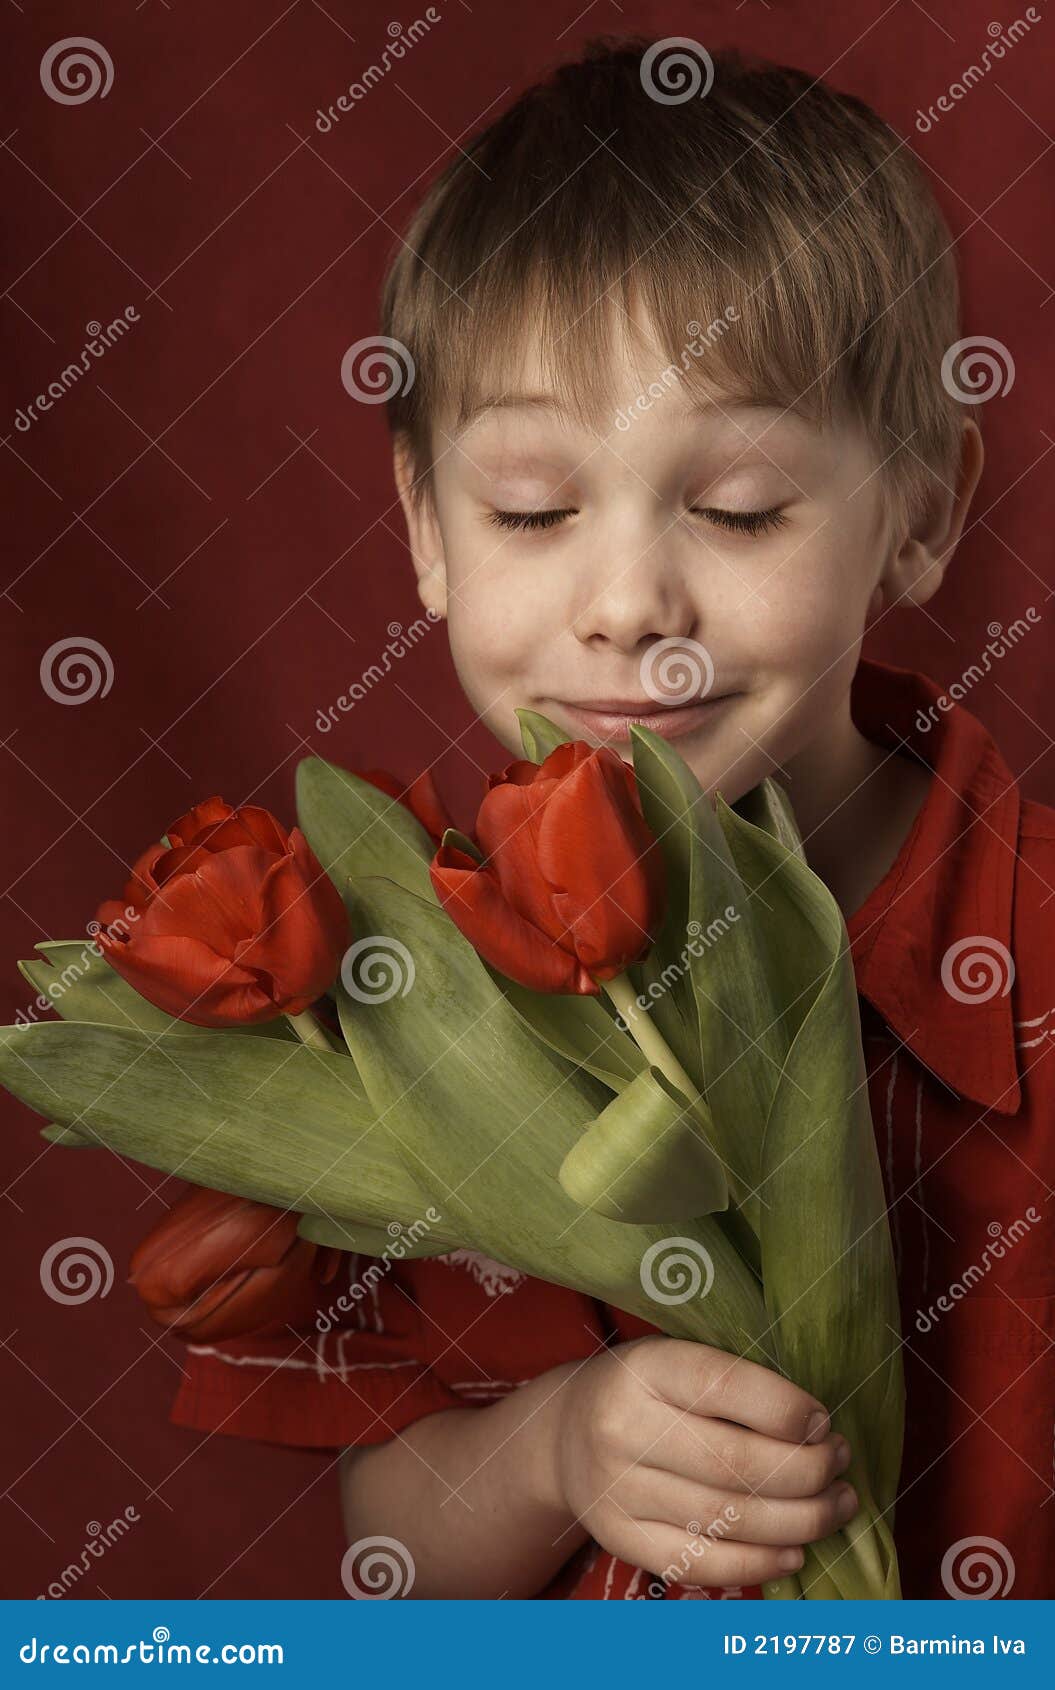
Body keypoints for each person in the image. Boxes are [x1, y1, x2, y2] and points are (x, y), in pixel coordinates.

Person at [170, 37, 1055, 1600]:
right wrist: (556, 1448)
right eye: (531, 509)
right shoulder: (395, 993)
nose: (629, 601)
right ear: (427, 530)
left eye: (737, 510)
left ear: (920, 511)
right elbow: (392, 1559)